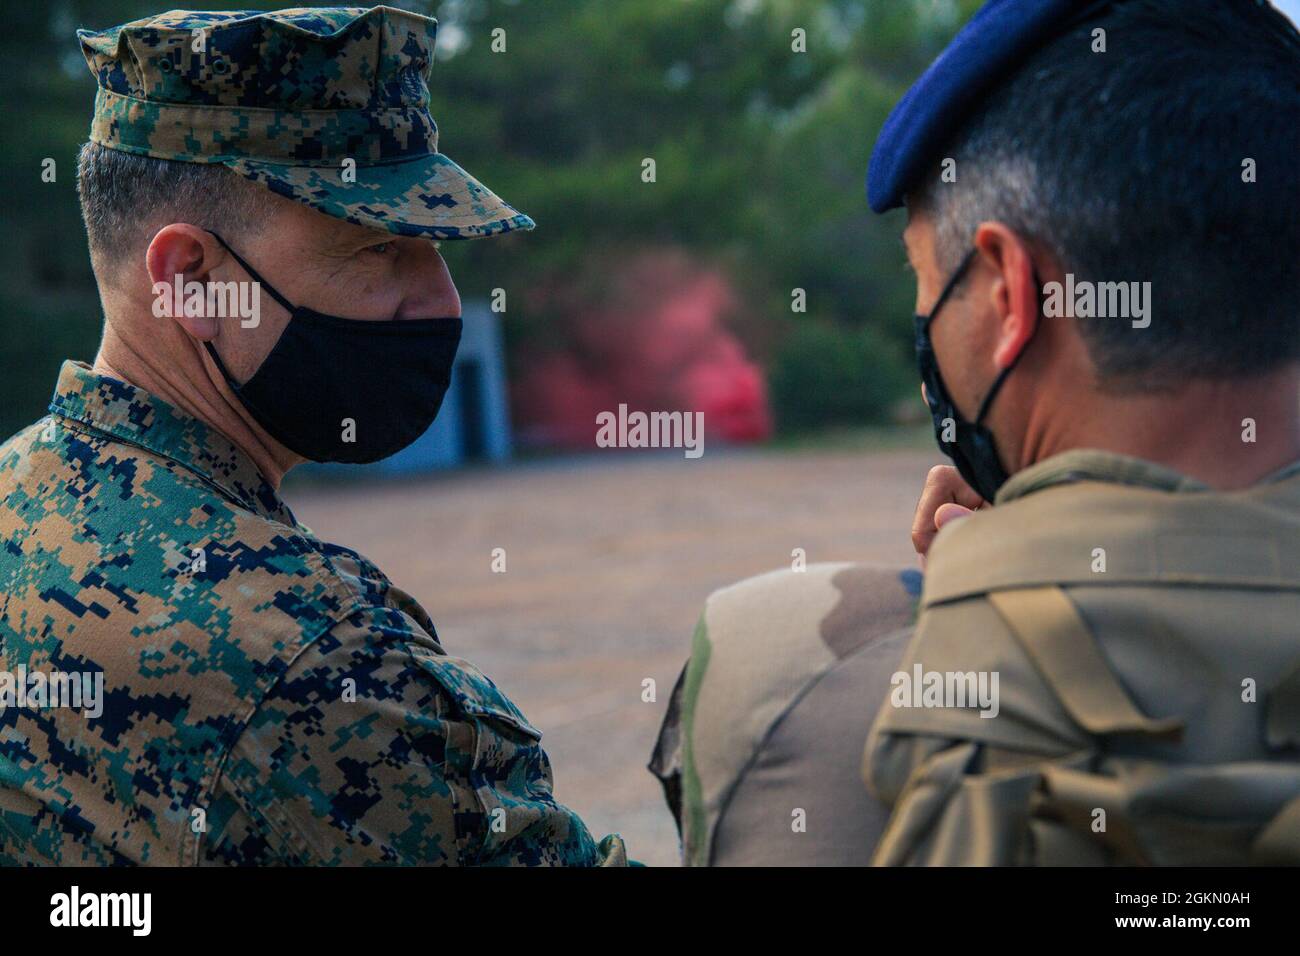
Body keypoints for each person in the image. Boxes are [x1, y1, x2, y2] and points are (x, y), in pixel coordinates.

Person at [655, 0, 1300, 866]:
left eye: (928, 280)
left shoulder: (787, 664)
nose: (923, 316)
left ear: (1008, 292)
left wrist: (1008, 574)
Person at [0, 6, 624, 866]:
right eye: (379, 252)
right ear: (195, 280)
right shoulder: (308, 657)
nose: (440, 302)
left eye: (438, 252)